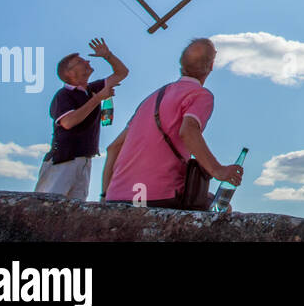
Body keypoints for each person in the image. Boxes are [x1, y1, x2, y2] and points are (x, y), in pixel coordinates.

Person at [101, 38, 242, 209]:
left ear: (181, 65)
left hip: (116, 195)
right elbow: (188, 130)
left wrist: (105, 196)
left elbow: (113, 148)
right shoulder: (200, 95)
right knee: (222, 209)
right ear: (211, 66)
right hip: (157, 194)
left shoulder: (151, 99)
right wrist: (217, 170)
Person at [34, 38, 128, 199]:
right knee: (48, 203)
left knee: (76, 207)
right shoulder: (64, 95)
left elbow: (121, 73)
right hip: (64, 160)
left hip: (84, 160)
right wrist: (98, 98)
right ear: (69, 73)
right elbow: (68, 122)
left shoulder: (91, 89)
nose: (86, 61)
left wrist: (108, 56)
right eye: (79, 61)